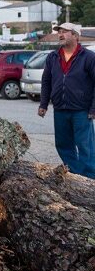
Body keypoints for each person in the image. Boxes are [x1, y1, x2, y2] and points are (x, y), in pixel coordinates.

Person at [38, 22, 95, 178]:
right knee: (63, 145)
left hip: (81, 111)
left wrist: (93, 108)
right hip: (60, 109)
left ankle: (90, 179)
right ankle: (75, 175)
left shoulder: (88, 57)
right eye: (59, 32)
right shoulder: (53, 57)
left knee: (86, 147)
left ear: (75, 35)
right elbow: (46, 81)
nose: (60, 34)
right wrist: (43, 104)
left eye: (65, 32)